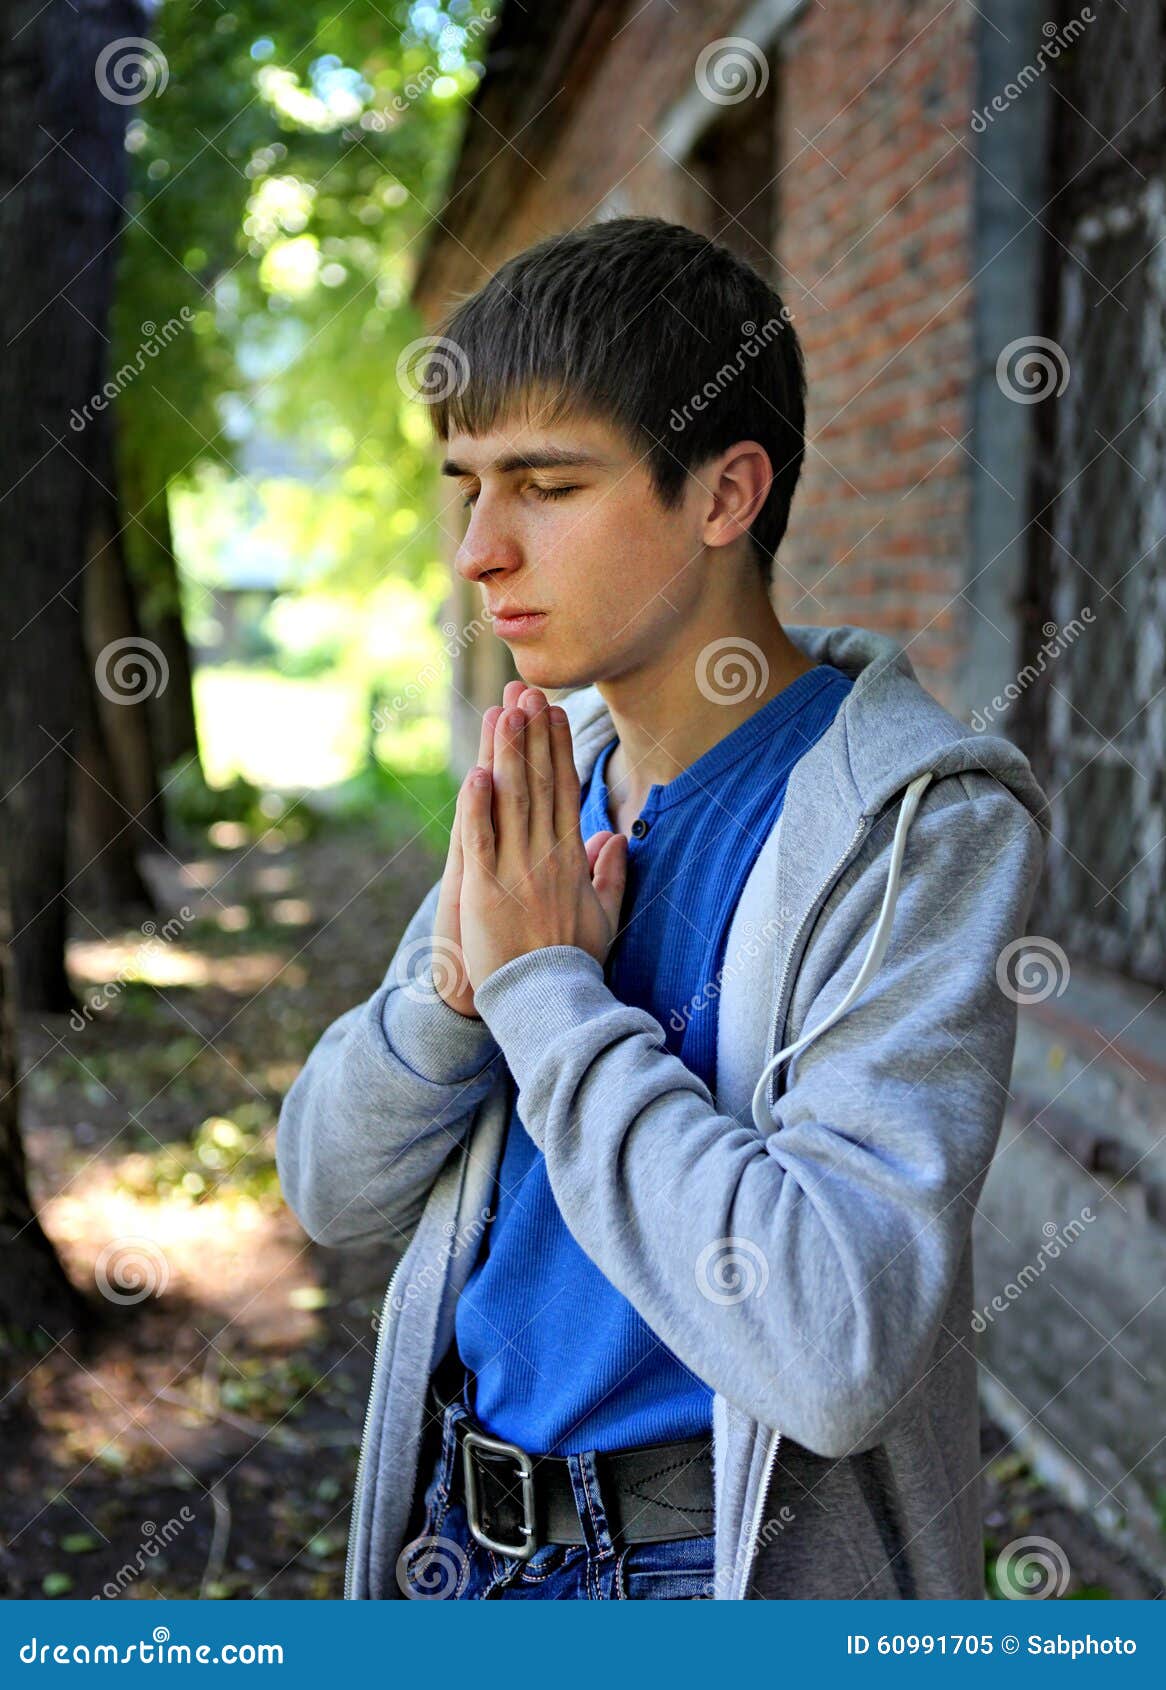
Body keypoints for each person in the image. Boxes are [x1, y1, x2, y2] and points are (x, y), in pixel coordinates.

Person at [276, 216, 1048, 1600]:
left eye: (545, 484)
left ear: (722, 492)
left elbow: (835, 1347)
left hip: (712, 1575)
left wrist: (548, 1001)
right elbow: (331, 1189)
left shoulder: (916, 825)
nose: (479, 550)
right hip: (457, 1549)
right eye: (465, 487)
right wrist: (458, 992)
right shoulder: (544, 772)